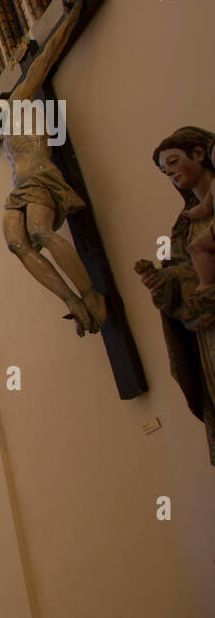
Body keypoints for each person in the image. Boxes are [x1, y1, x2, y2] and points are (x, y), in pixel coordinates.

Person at [0, 0, 108, 337]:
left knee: (40, 232)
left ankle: (90, 295)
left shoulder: (18, 101)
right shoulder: (2, 139)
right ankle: (71, 301)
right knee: (16, 243)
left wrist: (72, 15)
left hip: (42, 177)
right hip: (21, 189)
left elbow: (45, 58)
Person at [138, 126, 215, 466]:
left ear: (199, 154)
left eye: (174, 163)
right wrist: (164, 283)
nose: (171, 175)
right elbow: (186, 273)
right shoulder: (185, 227)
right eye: (165, 171)